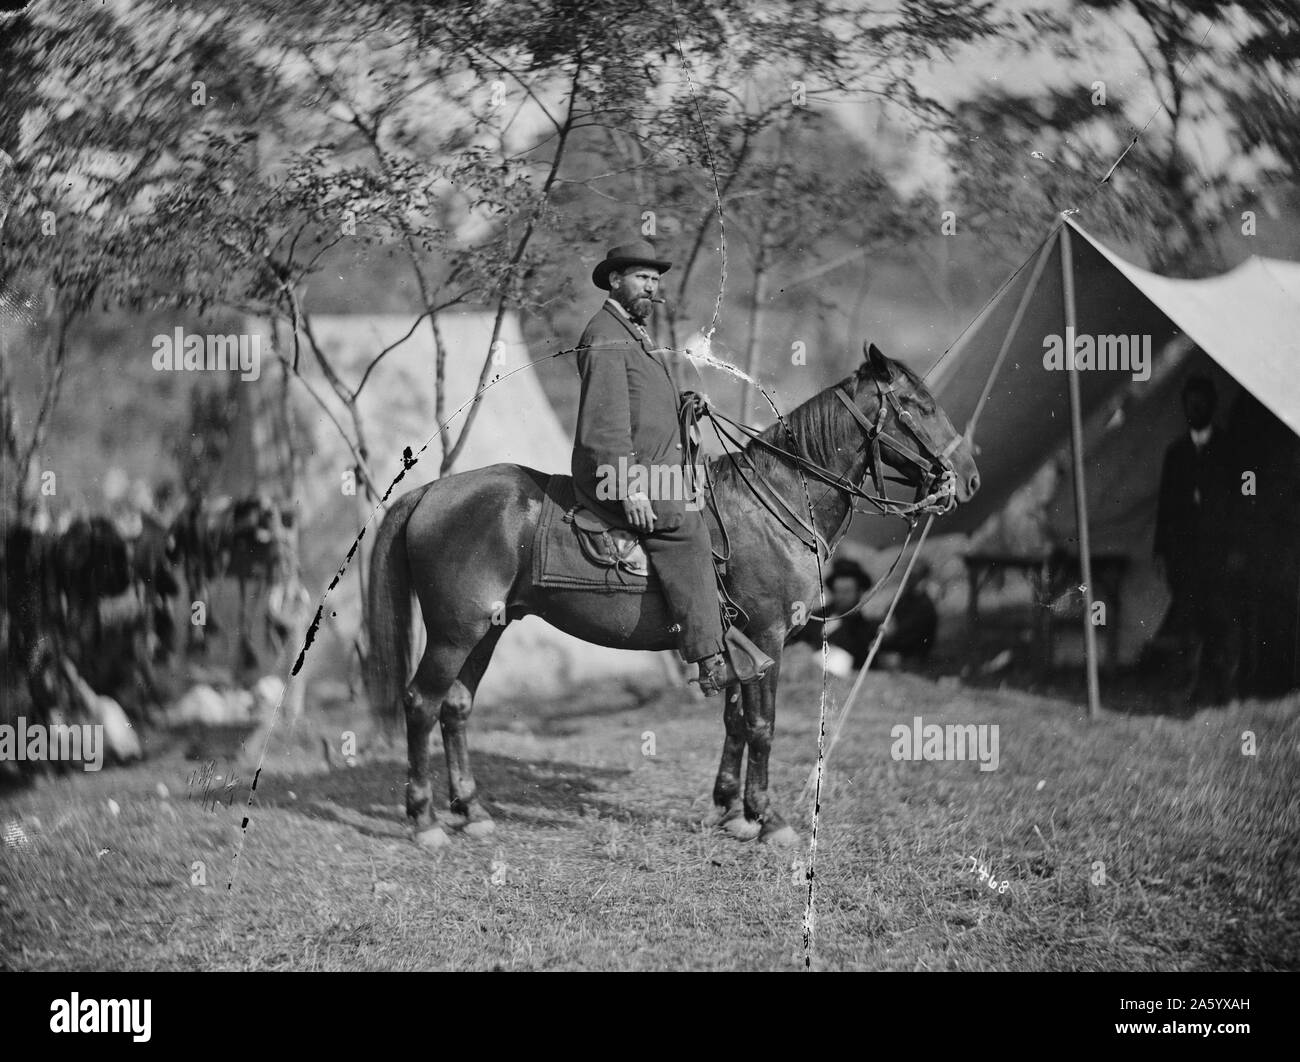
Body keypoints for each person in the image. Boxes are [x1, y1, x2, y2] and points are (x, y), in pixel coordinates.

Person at [572, 238, 740, 695]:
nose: (651, 288)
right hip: (620, 474)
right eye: (643, 279)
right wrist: (631, 489)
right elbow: (604, 425)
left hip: (655, 467)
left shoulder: (630, 332)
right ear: (615, 280)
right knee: (684, 525)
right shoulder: (605, 334)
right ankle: (709, 656)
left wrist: (683, 403)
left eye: (655, 281)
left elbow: (643, 403)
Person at [1153, 374, 1240, 705]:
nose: (1195, 409)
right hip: (1184, 556)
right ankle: (1188, 688)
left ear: (1213, 406)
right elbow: (1165, 505)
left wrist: (1236, 549)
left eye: (1201, 403)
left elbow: (1239, 503)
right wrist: (1161, 551)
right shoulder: (1175, 454)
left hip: (1218, 553)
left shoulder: (1228, 450)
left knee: (1221, 620)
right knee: (1188, 623)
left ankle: (1224, 690)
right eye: (1190, 404)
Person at [791, 557, 878, 672]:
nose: (841, 596)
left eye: (847, 592)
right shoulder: (815, 616)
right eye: (838, 591)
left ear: (859, 592)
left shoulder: (864, 627)